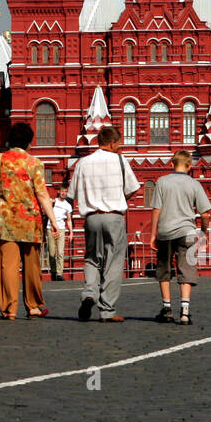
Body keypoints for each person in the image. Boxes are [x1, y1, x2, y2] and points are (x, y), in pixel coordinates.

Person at [0, 121, 58, 320]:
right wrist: (53, 220)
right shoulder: (35, 163)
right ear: (28, 142)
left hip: (4, 220)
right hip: (31, 222)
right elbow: (42, 194)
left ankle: (10, 309)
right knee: (32, 266)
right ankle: (33, 306)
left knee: (8, 266)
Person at [68, 126, 139, 322]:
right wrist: (119, 197)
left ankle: (89, 294)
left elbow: (71, 193)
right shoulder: (120, 160)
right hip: (114, 216)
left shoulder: (83, 162)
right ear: (113, 143)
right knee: (114, 263)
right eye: (118, 144)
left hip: (91, 217)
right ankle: (107, 311)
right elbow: (133, 188)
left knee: (92, 258)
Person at [148, 150, 211, 326]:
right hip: (187, 232)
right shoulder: (194, 184)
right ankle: (185, 312)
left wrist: (153, 234)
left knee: (164, 270)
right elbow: (205, 213)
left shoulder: (162, 182)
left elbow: (156, 210)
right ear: (190, 166)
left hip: (166, 231)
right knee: (187, 270)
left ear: (171, 164)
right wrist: (204, 232)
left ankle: (167, 310)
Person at [47, 187, 73, 280]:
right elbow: (46, 209)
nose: (63, 193)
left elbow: (69, 220)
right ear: (59, 191)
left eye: (65, 191)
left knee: (61, 252)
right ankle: (53, 272)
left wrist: (71, 233)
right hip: (51, 228)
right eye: (62, 191)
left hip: (61, 229)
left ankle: (59, 274)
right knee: (51, 253)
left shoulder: (68, 205)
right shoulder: (53, 201)